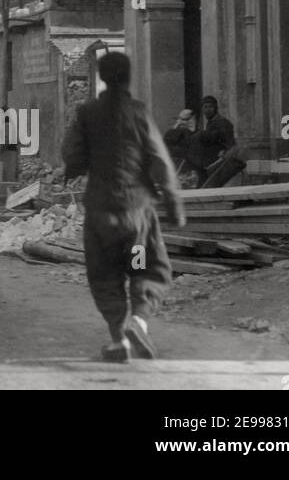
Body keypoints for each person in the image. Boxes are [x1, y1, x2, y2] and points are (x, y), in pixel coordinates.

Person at [61, 51, 184, 362]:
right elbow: (160, 160)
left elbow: (72, 156)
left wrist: (80, 165)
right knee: (143, 267)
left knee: (105, 275)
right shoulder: (138, 112)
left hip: (101, 217)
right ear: (129, 77)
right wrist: (173, 202)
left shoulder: (87, 113)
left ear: (101, 77)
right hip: (135, 217)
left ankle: (119, 339)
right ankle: (138, 321)